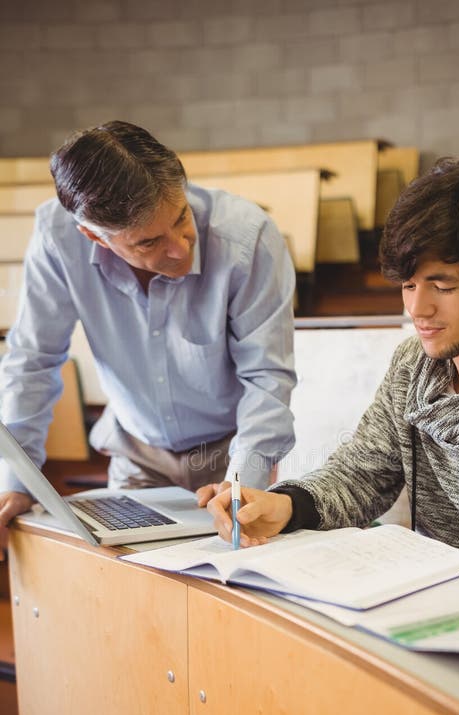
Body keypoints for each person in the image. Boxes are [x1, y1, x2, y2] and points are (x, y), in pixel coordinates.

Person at [204, 157, 459, 584]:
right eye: (408, 285)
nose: (417, 308)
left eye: (443, 286)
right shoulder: (412, 367)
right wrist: (284, 506)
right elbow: (361, 474)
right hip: (432, 615)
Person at [0, 121, 297, 551]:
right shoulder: (58, 238)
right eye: (148, 242)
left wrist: (242, 484)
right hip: (134, 448)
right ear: (93, 236)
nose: (179, 248)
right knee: (129, 589)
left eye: (181, 218)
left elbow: (268, 377)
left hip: (230, 452)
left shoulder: (247, 238)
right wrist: (17, 481)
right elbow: (33, 362)